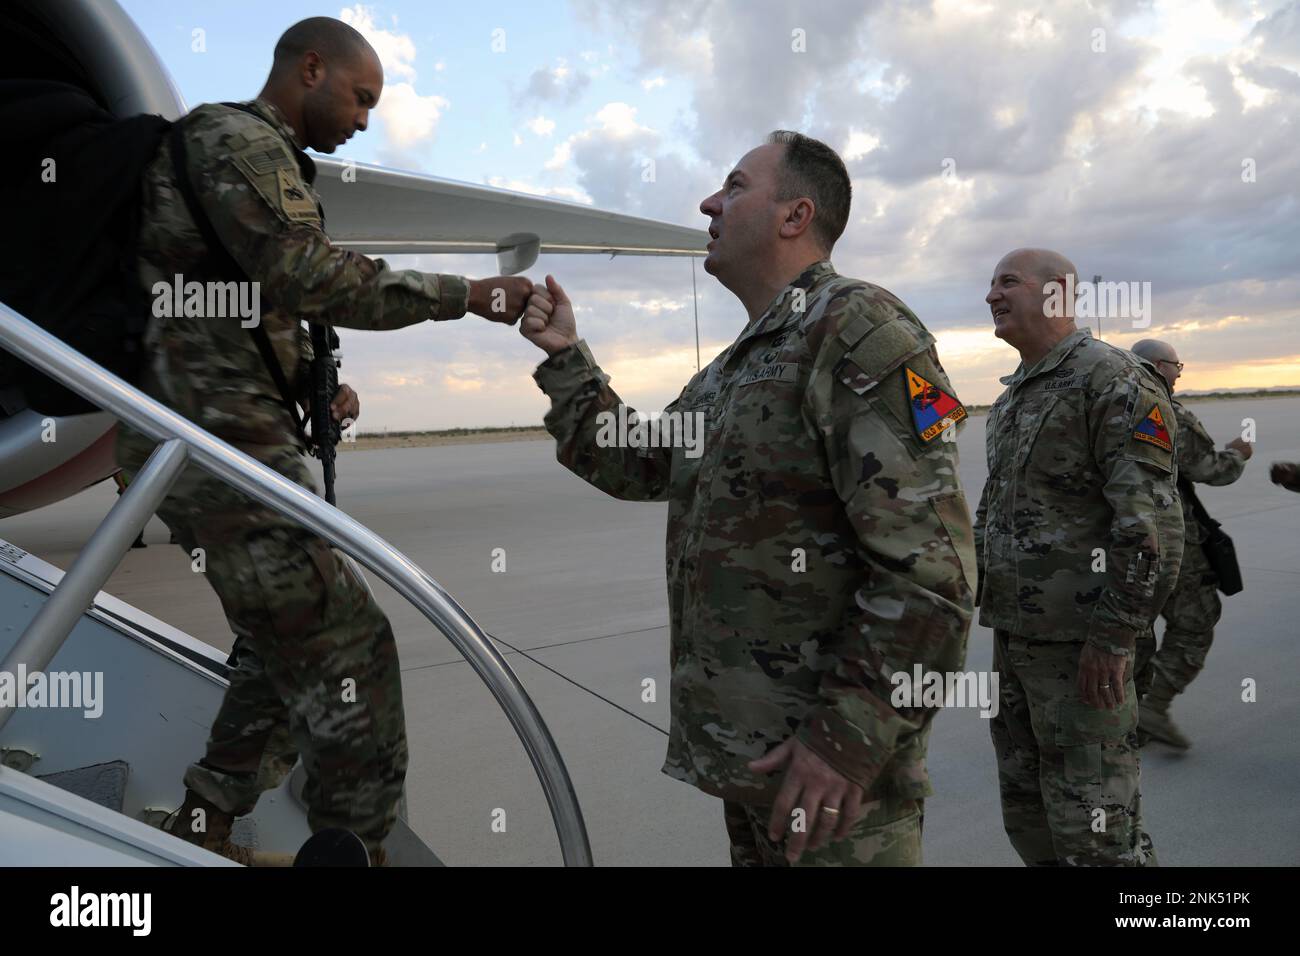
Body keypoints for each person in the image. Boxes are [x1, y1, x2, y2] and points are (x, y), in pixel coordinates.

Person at [116, 17, 531, 864]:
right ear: (311, 69)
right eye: (361, 96)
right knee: (348, 643)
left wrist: (312, 378)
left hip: (223, 434)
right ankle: (357, 849)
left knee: (280, 648)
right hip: (213, 440)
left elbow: (240, 301)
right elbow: (308, 274)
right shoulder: (236, 140)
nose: (367, 119)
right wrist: (465, 295)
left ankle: (206, 824)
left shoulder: (242, 150)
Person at [521, 131, 975, 866]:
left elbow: (934, 573)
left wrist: (846, 744)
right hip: (760, 764)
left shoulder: (858, 329)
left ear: (795, 216)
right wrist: (567, 357)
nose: (708, 202)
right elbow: (636, 461)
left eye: (733, 186)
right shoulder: (739, 364)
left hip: (830, 781)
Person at [975, 248, 1183, 866]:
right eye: (990, 283)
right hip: (1016, 640)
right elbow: (995, 509)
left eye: (1008, 281)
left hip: (1086, 651)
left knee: (1096, 837)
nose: (991, 295)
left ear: (1059, 294)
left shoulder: (1113, 380)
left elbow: (1150, 528)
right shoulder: (1014, 398)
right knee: (1030, 820)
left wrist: (1116, 637)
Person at [1130, 339, 1251, 748]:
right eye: (1176, 365)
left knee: (1133, 629)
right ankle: (1152, 707)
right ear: (1158, 367)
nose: (1180, 373)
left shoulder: (1102, 409)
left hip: (1113, 542)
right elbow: (1211, 470)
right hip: (1167, 539)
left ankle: (1126, 719)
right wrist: (1237, 454)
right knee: (1196, 621)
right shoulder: (1164, 412)